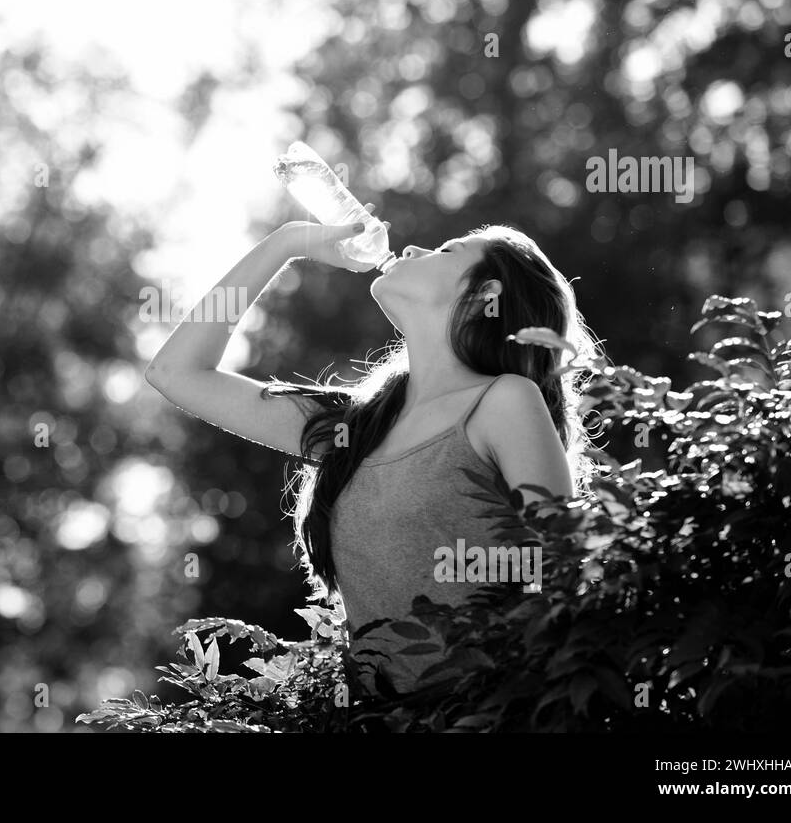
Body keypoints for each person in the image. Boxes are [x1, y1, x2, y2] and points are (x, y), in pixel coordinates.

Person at [144, 205, 600, 698]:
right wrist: (288, 243)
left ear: (485, 295)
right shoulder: (354, 428)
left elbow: (564, 571)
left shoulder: (504, 401)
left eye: (446, 251)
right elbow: (176, 373)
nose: (413, 249)